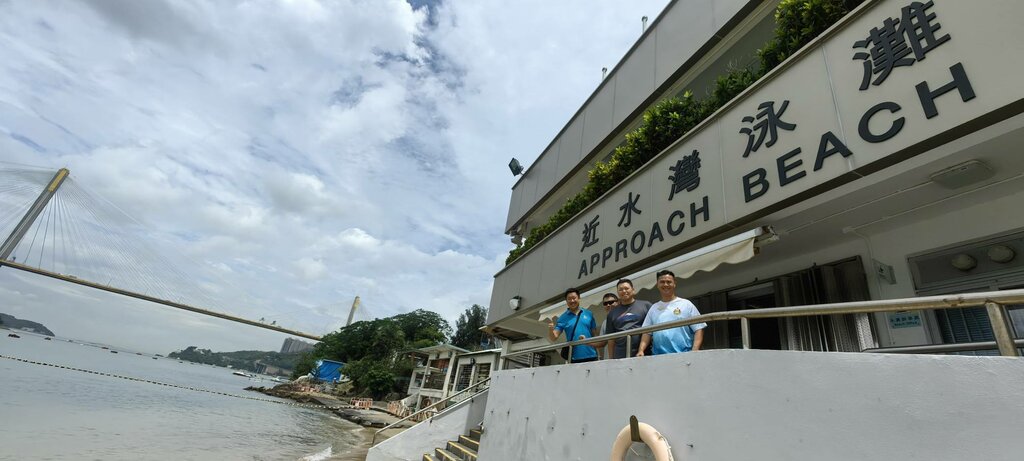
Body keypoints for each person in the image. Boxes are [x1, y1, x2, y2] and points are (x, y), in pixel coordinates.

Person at [637, 270, 706, 356]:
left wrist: (695, 350)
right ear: (657, 285)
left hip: (684, 355)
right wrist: (641, 350)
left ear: (674, 284)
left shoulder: (686, 304)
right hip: (658, 357)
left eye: (669, 282)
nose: (665, 285)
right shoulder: (653, 308)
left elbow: (699, 328)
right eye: (662, 282)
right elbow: (647, 332)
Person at [600, 278, 653, 359]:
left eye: (626, 288)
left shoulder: (646, 305)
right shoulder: (612, 313)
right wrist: (611, 359)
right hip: (620, 356)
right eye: (620, 289)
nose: (624, 291)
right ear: (618, 293)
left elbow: (652, 329)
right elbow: (611, 339)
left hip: (644, 354)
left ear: (633, 290)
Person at [547, 288, 599, 363]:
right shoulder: (562, 318)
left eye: (574, 298)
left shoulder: (589, 314)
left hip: (592, 355)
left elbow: (595, 335)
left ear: (579, 298)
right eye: (569, 299)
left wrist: (599, 355)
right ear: (566, 301)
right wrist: (551, 329)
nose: (572, 301)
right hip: (573, 358)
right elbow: (554, 337)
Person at [592, 293, 620, 359]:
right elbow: (602, 343)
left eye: (611, 302)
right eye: (605, 303)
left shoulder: (624, 317)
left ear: (618, 302)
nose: (608, 305)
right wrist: (586, 342)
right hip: (610, 360)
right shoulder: (605, 322)